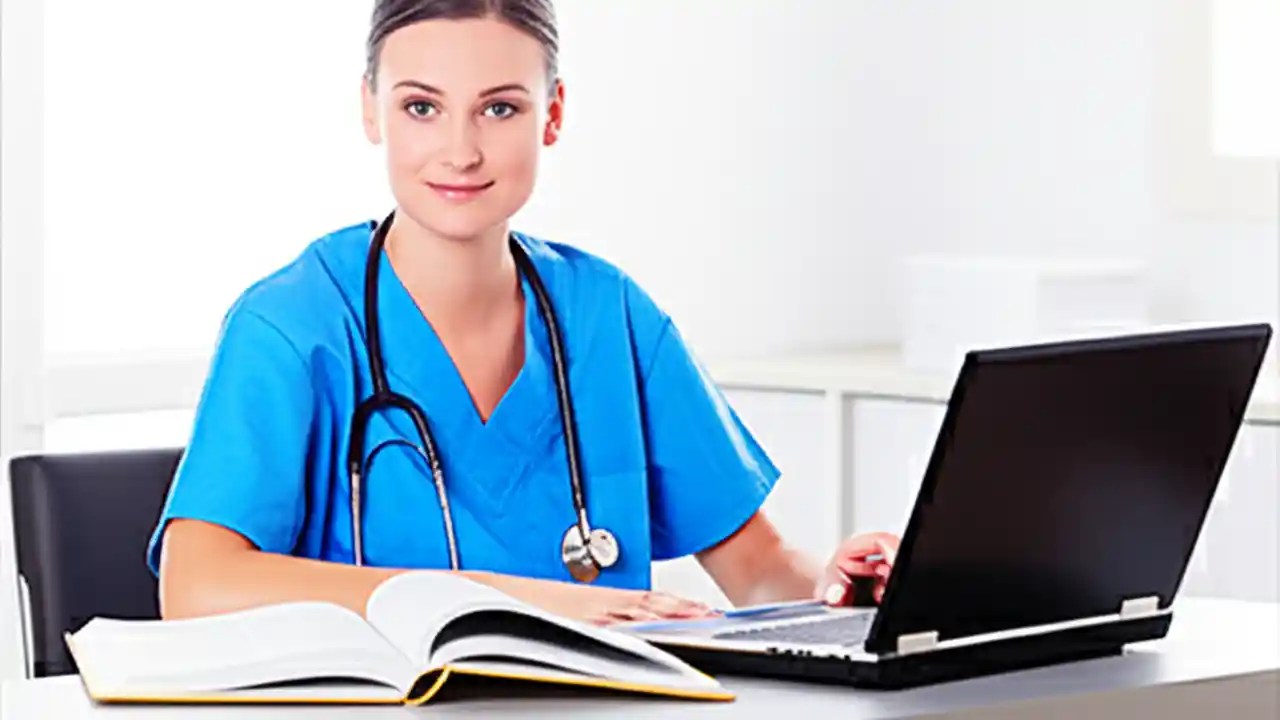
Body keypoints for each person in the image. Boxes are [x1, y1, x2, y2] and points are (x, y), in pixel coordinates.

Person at [150, 0, 900, 626]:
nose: (460, 150)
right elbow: (196, 587)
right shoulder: (293, 327)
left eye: (499, 108)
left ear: (553, 114)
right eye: (421, 107)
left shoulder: (609, 315)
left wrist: (833, 588)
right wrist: (518, 605)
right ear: (371, 111)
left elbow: (756, 565)